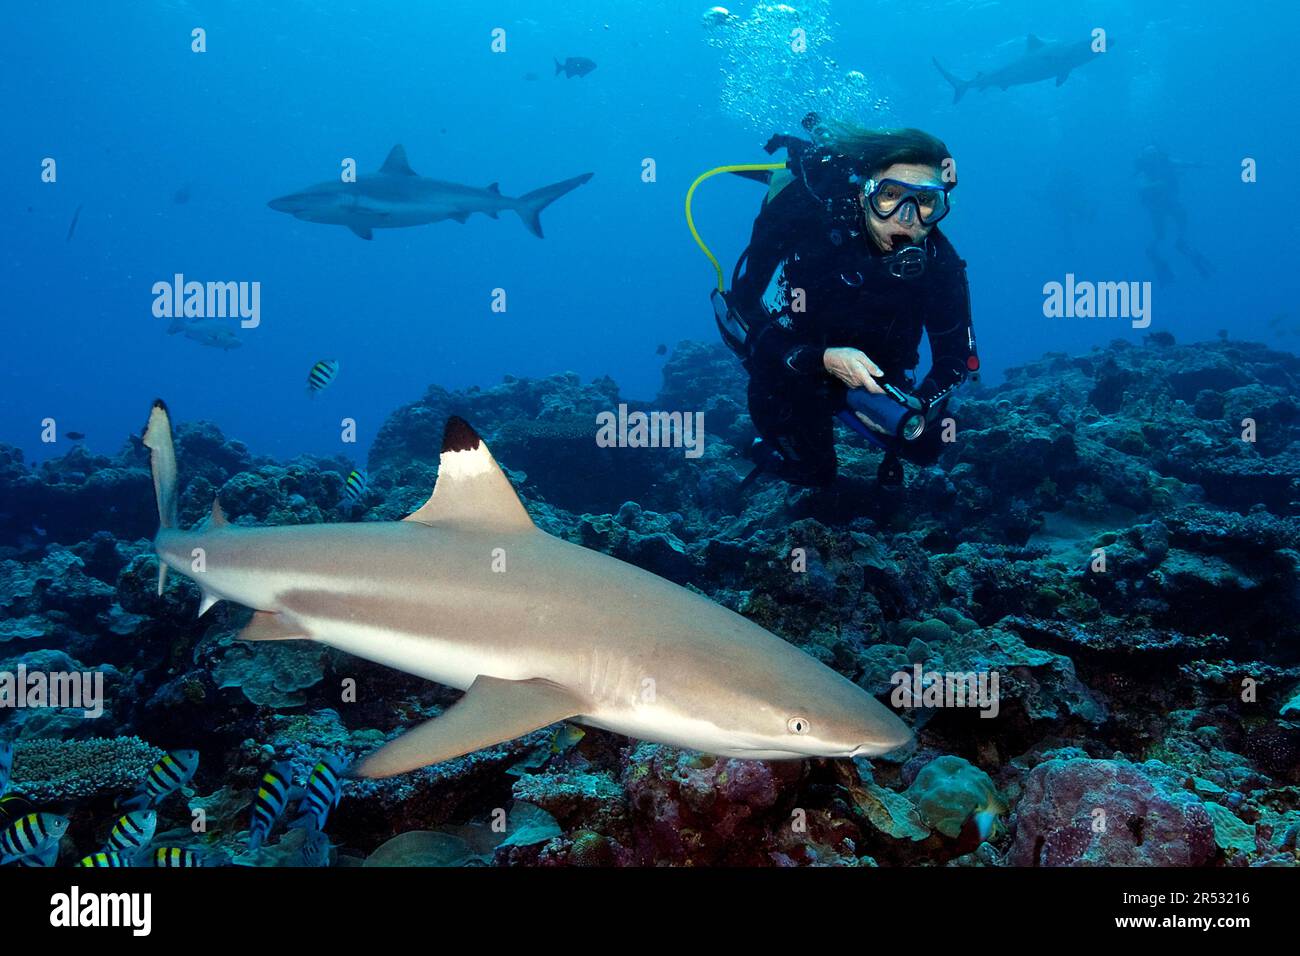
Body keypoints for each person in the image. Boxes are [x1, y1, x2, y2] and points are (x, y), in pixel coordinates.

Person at [727, 122, 979, 487]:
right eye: (891, 195)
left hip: (873, 376)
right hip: (791, 366)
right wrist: (823, 359)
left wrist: (919, 402)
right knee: (814, 472)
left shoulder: (940, 263)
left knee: (926, 445)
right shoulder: (815, 240)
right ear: (864, 195)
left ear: (942, 207)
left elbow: (957, 359)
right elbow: (750, 324)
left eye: (925, 201)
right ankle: (757, 449)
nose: (907, 218)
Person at [1134, 145, 1213, 284]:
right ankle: (1152, 252)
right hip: (1156, 207)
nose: (1153, 157)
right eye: (1150, 155)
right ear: (1145, 158)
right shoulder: (1143, 171)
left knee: (1182, 214)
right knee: (1161, 235)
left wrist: (1197, 164)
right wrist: (1157, 184)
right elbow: (1141, 186)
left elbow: (1183, 163)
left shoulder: (1166, 161)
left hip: (1169, 201)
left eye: (1155, 154)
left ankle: (1180, 241)